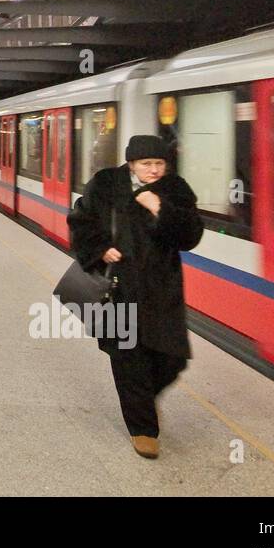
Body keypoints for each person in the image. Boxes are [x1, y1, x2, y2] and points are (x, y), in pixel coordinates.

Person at [67, 134, 204, 460]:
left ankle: (141, 399)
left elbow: (191, 236)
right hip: (118, 287)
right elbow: (80, 220)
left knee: (172, 359)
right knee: (129, 359)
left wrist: (161, 208)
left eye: (159, 164)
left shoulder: (175, 189)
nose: (154, 170)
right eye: (146, 164)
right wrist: (99, 249)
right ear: (131, 164)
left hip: (161, 288)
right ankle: (143, 428)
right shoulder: (106, 184)